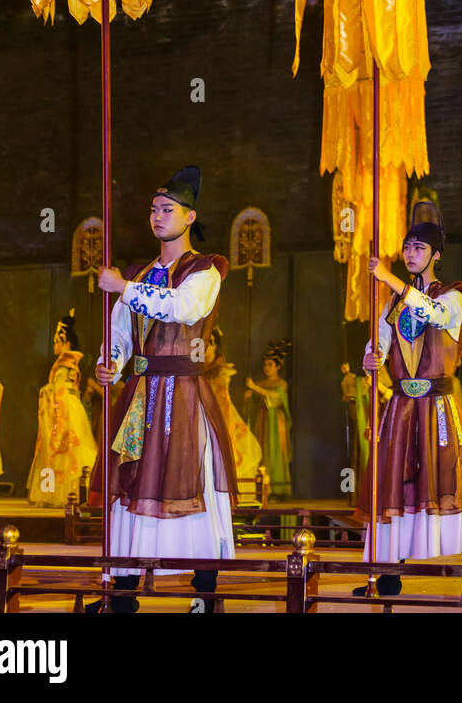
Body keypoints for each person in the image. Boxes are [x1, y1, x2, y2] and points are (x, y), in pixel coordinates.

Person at [87, 165, 237, 613]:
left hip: (185, 395)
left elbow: (181, 308)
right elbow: (117, 334)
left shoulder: (207, 270)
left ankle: (206, 595)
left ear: (189, 217)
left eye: (167, 209)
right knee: (132, 482)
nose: (157, 216)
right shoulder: (138, 272)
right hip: (140, 392)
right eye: (153, 209)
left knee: (192, 482)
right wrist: (107, 363)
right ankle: (123, 595)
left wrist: (123, 287)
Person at [353, 202, 462, 600]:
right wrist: (371, 359)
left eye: (419, 248)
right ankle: (387, 577)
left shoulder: (453, 296)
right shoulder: (392, 305)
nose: (411, 253)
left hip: (440, 406)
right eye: (407, 247)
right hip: (401, 406)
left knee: (455, 484)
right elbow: (378, 346)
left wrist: (391, 280)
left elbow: (433, 315)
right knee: (396, 485)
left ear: (436, 255)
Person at [27, 309, 98, 507]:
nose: (54, 345)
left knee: (65, 448)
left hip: (64, 407)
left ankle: (66, 494)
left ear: (64, 340)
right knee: (58, 450)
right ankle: (53, 493)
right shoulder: (65, 362)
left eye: (56, 340)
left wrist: (45, 391)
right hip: (63, 406)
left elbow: (59, 389)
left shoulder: (67, 361)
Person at [202, 326, 263, 495]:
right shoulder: (198, 371)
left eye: (209, 343)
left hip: (217, 420)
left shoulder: (220, 372)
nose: (205, 347)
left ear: (215, 346)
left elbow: (222, 404)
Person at [244, 341, 291, 498]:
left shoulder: (281, 384)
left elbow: (276, 399)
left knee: (276, 452)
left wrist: (255, 389)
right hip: (262, 421)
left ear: (278, 366)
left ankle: (278, 489)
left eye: (270, 364)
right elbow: (252, 407)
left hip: (276, 423)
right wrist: (249, 397)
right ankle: (264, 489)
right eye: (265, 364)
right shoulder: (260, 383)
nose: (266, 368)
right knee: (262, 451)